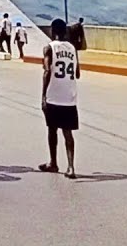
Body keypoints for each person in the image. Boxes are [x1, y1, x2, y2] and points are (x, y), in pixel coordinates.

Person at [40, 18, 80, 179]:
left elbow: (47, 71)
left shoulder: (49, 48)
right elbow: (77, 73)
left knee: (52, 130)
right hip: (69, 96)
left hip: (54, 95)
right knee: (68, 132)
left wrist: (43, 95)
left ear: (52, 31)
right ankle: (71, 167)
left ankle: (53, 162)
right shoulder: (72, 48)